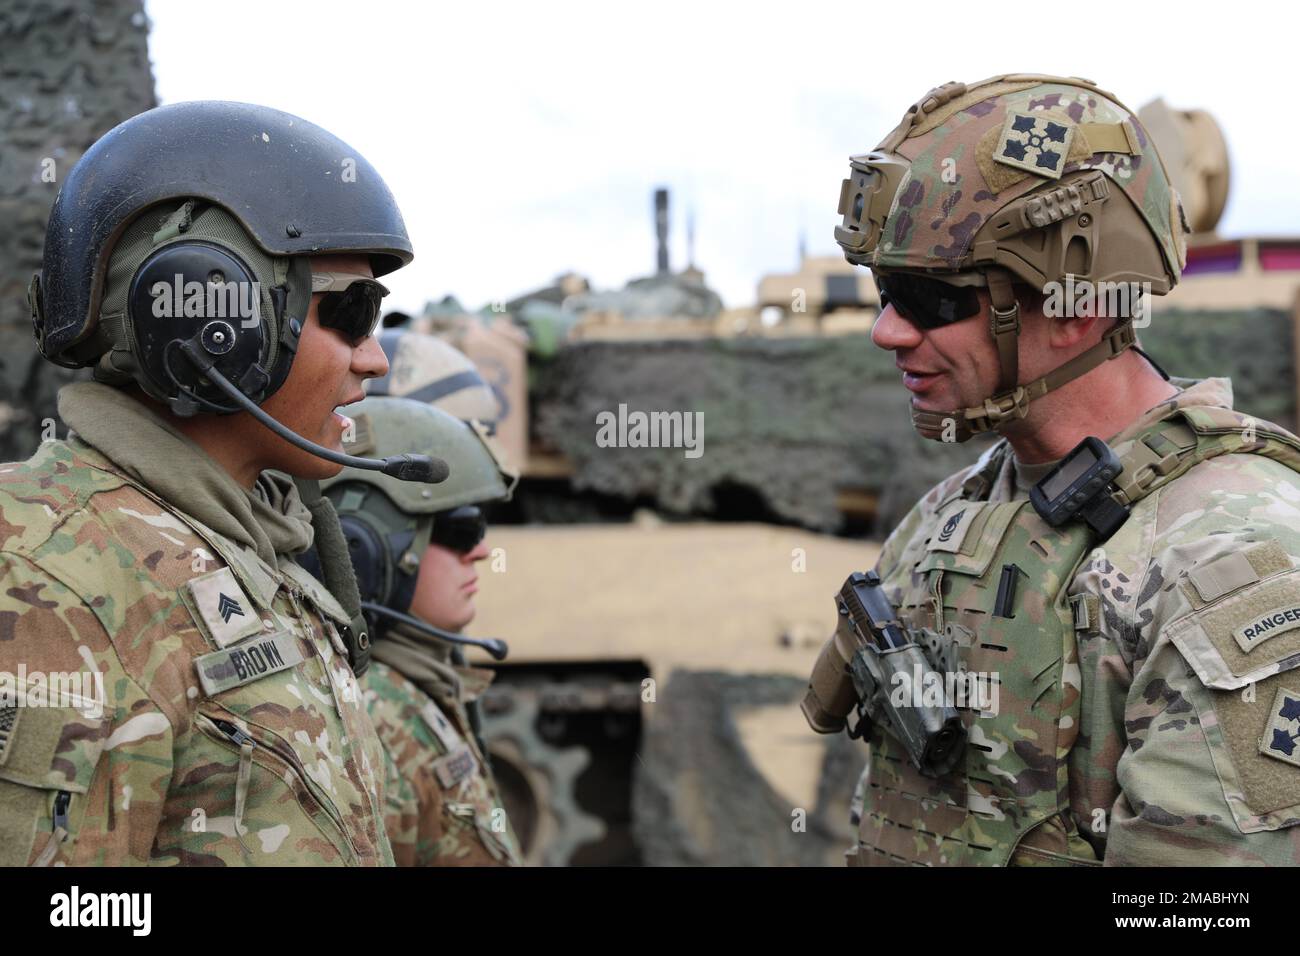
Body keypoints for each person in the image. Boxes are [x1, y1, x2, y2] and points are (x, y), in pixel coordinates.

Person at [801, 73, 1300, 865]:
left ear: (1075, 309)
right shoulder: (953, 512)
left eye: (929, 299)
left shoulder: (1234, 555)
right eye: (884, 290)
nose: (887, 331)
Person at [0, 100, 444, 865]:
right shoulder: (48, 575)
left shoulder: (257, 549)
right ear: (208, 318)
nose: (376, 359)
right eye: (351, 311)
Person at [305, 393, 523, 865]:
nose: (481, 551)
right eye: (461, 530)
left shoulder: (421, 682)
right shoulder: (369, 720)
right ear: (362, 547)